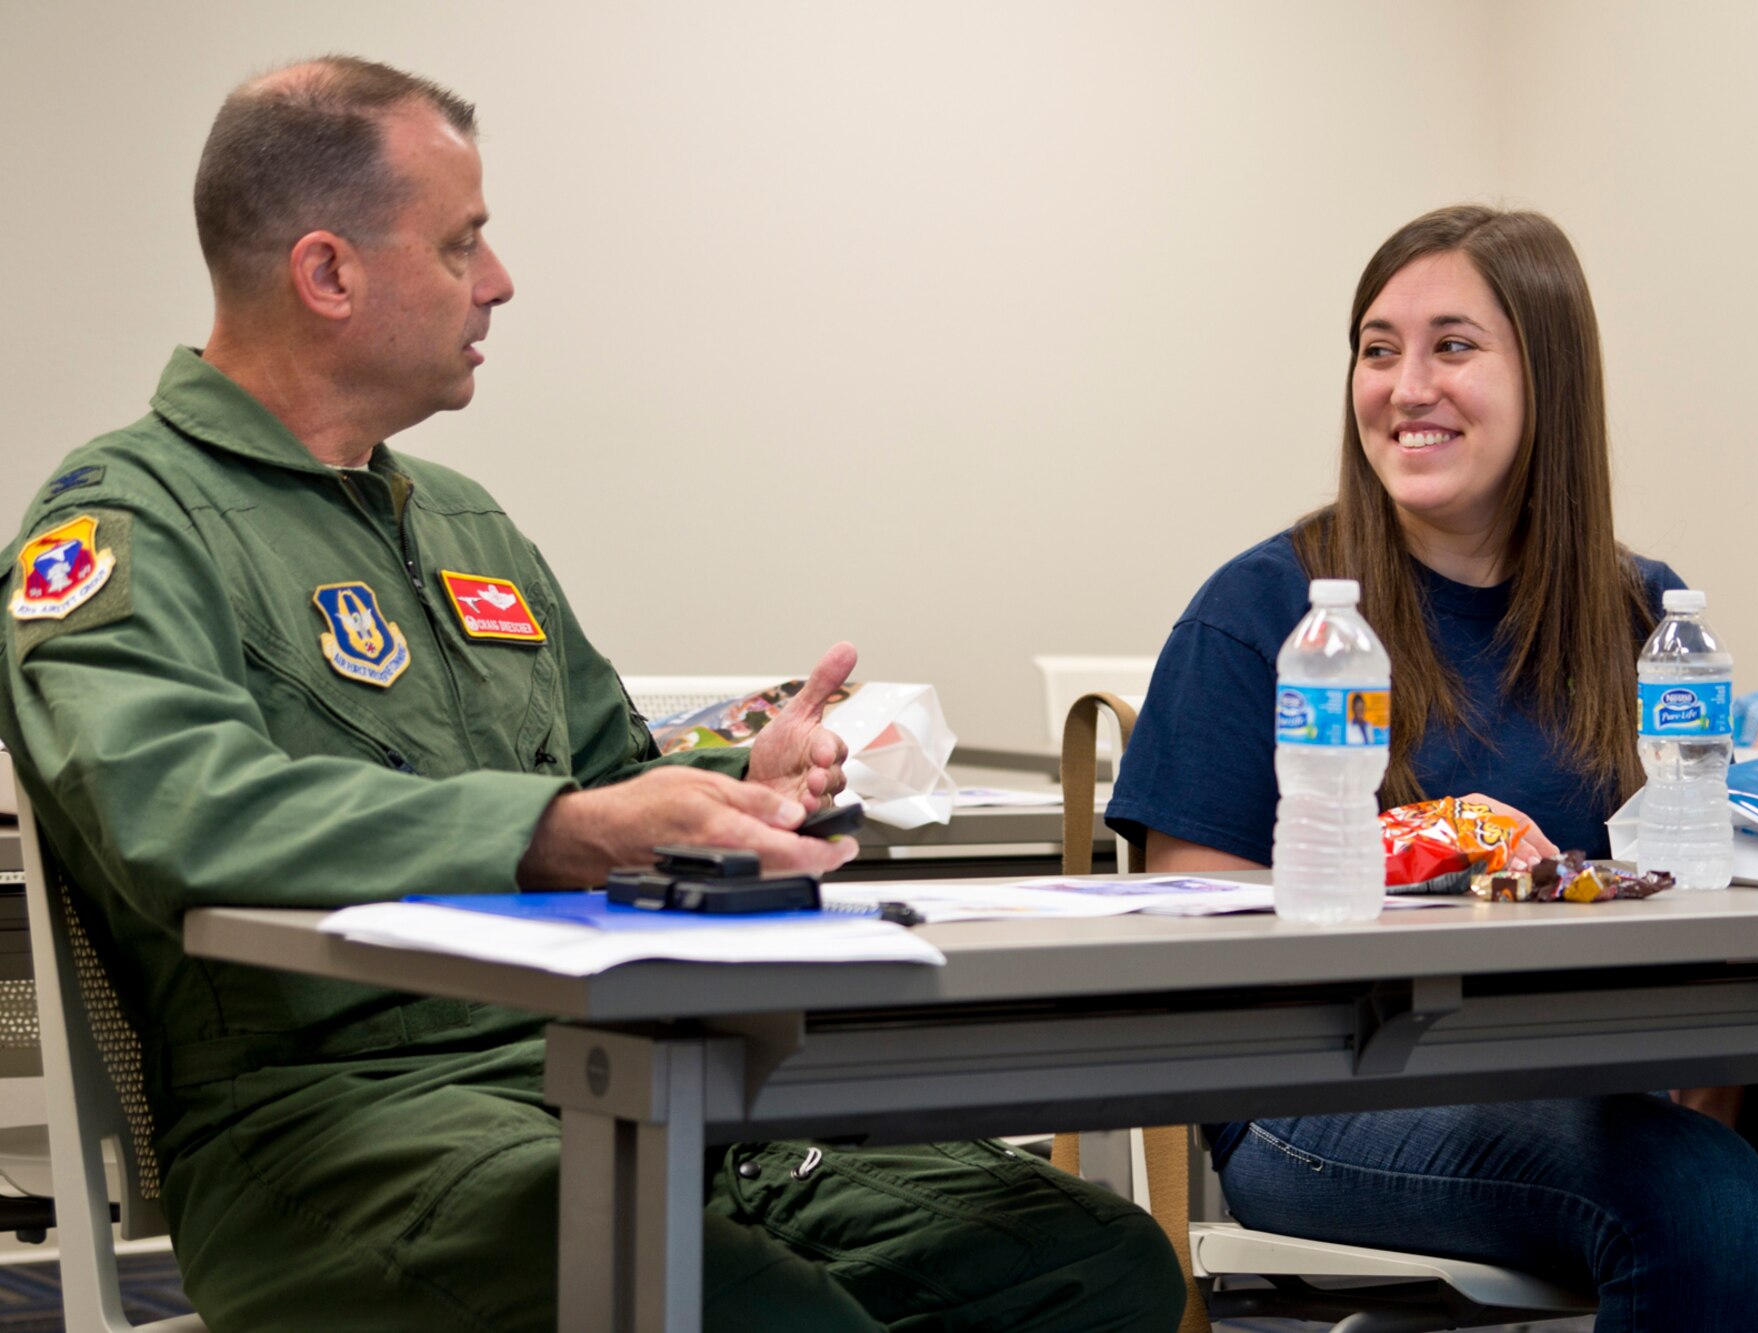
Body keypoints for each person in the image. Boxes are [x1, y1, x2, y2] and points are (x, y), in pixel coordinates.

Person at [0, 57, 1180, 1333]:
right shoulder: (124, 524)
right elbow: (173, 811)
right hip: (333, 1134)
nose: (498, 283)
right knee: (753, 1313)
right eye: (463, 246)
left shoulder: (461, 523)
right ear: (328, 273)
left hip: (622, 1081)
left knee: (1085, 1259)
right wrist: (548, 830)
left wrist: (745, 800)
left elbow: (611, 783)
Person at [1105, 204, 1758, 1332]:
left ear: (1550, 380)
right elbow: (1190, 936)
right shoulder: (1265, 611)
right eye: (1376, 351)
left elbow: (1694, 871)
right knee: (1694, 1194)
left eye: (1452, 346)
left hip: (1615, 1069)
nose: (1404, 386)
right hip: (1321, 1095)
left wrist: (1715, 1057)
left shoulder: (1638, 611)